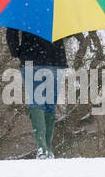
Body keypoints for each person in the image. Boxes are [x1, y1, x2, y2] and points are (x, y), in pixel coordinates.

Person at [6, 27, 67, 159]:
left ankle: (42, 147)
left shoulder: (23, 8)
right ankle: (48, 148)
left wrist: (16, 51)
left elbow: (12, 32)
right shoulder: (60, 7)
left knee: (36, 102)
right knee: (50, 104)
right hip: (56, 58)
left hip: (31, 57)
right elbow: (71, 30)